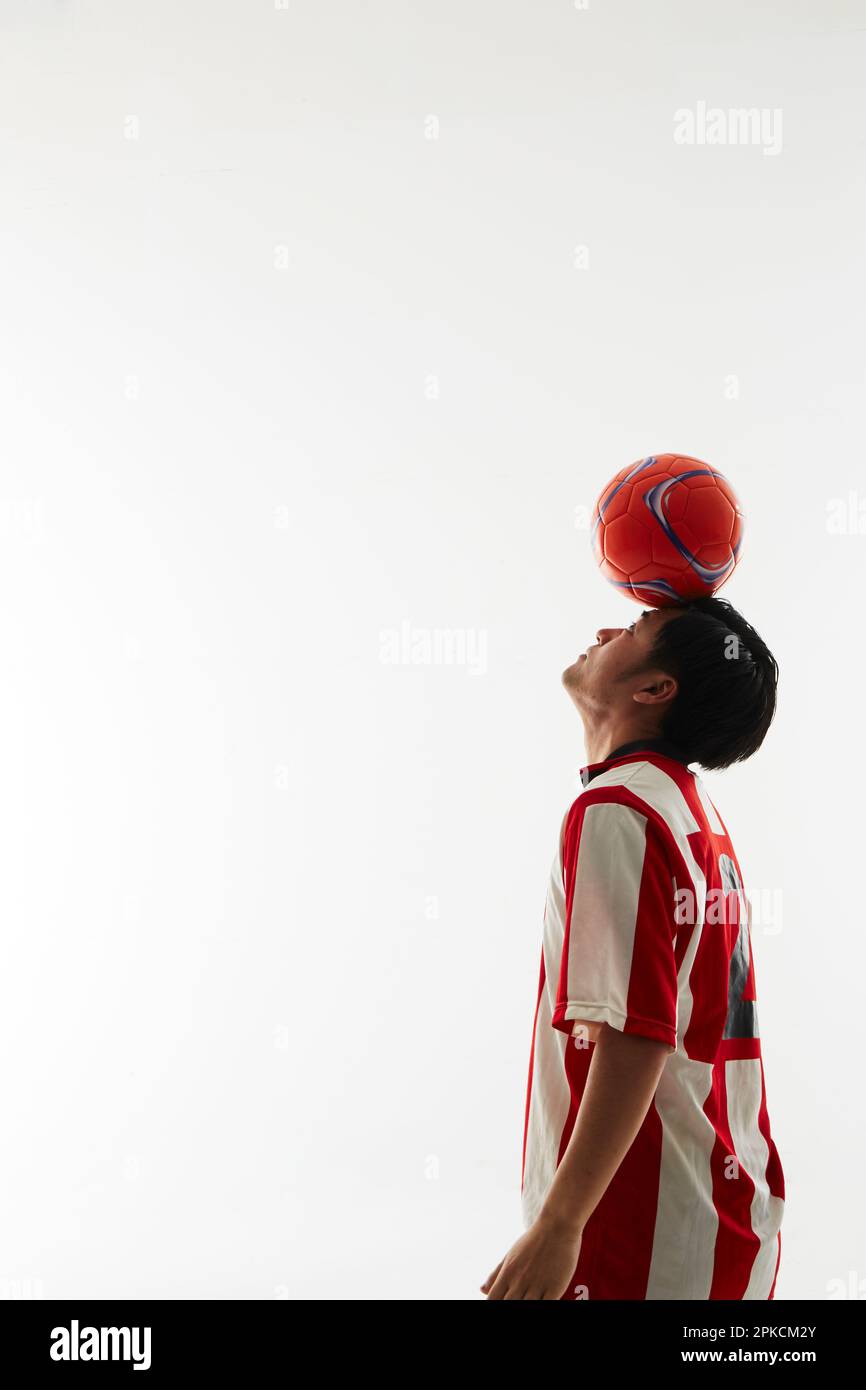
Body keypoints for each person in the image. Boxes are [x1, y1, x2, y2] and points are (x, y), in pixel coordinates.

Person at [481, 597, 785, 1300]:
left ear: (654, 689)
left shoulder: (618, 811)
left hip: (641, 1232)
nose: (605, 631)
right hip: (714, 1219)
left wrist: (559, 1224)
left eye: (636, 629)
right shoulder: (688, 809)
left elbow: (634, 1035)